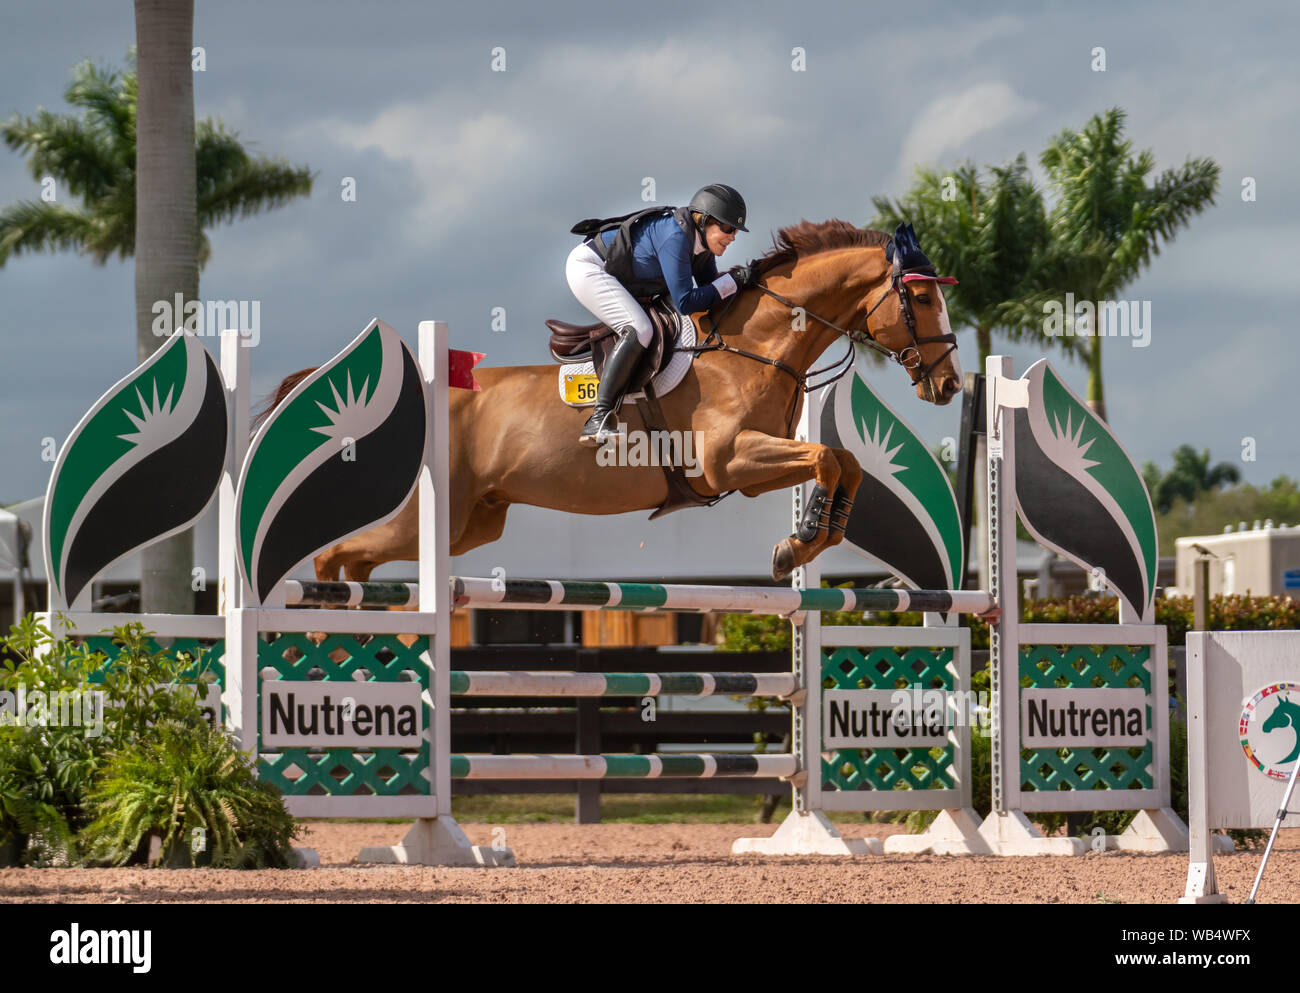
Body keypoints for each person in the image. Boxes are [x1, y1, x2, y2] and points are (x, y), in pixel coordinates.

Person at [566, 183, 758, 446]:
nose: (732, 236)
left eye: (735, 230)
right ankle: (598, 419)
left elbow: (710, 291)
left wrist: (741, 282)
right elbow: (686, 303)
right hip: (589, 267)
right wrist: (731, 281)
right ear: (703, 220)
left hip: (616, 274)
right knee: (639, 329)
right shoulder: (676, 237)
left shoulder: (700, 248)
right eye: (727, 228)